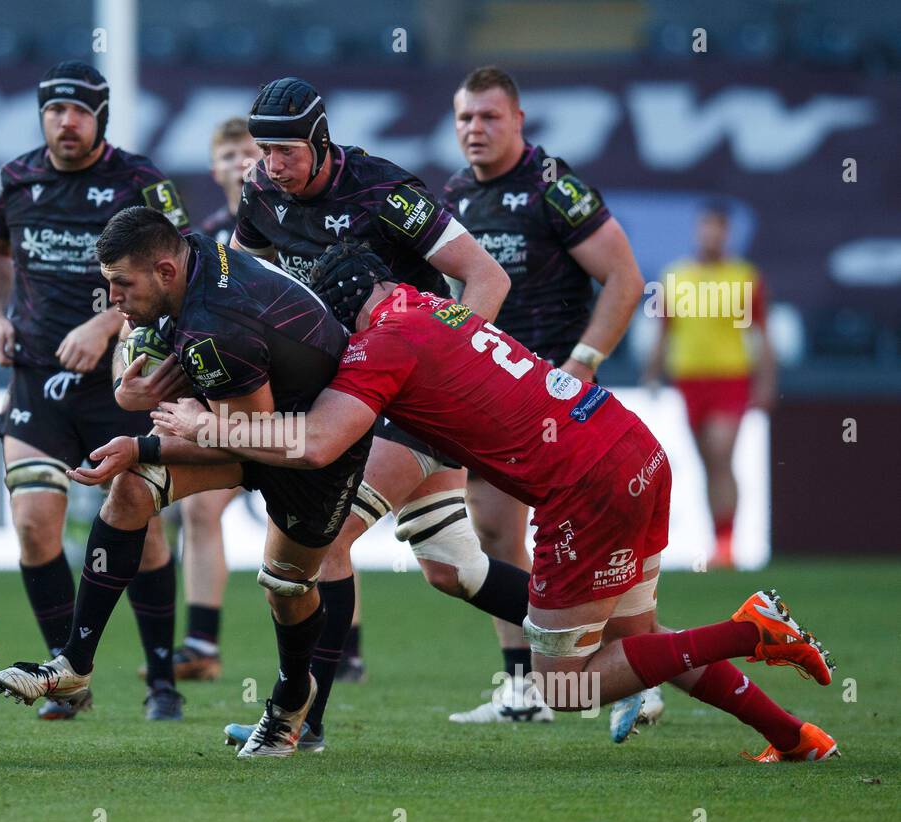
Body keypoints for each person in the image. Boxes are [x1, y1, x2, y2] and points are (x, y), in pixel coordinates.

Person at [155, 241, 839, 764]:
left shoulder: (375, 347)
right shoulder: (431, 307)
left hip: (586, 490)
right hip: (633, 446)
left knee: (564, 685)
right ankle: (796, 737)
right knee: (641, 643)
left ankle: (753, 630)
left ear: (339, 312)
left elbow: (316, 444)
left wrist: (204, 424)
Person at [0, 206, 373, 759]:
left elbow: (246, 437)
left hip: (310, 445)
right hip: (252, 419)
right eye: (110, 285)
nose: (114, 300)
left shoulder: (215, 330)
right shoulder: (189, 254)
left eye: (123, 286)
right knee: (132, 490)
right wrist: (129, 390)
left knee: (287, 588)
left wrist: (138, 444)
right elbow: (135, 342)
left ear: (165, 272)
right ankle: (74, 663)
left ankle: (292, 707)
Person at [230, 76, 523, 735]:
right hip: (359, 394)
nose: (272, 165)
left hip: (415, 395)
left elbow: (488, 277)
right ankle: (630, 648)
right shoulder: (260, 193)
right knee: (456, 570)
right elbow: (240, 285)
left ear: (320, 141)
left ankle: (304, 722)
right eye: (264, 150)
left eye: (286, 151)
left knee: (323, 539)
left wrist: (441, 365)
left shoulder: (384, 191)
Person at [0, 61, 192, 721]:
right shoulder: (15, 179)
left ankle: (161, 681)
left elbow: (184, 271)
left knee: (146, 534)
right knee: (35, 525)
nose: (64, 122)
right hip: (38, 380)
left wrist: (108, 322)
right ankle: (67, 678)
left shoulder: (140, 182)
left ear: (100, 116)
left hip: (118, 387)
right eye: (53, 111)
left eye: (77, 111)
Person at [442, 66, 645, 725]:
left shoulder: (554, 187)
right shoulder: (453, 196)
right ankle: (526, 689)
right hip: (493, 397)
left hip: (560, 396)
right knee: (494, 532)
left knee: (589, 547)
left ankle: (641, 677)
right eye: (466, 117)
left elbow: (624, 277)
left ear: (518, 121)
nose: (476, 128)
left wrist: (583, 362)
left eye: (489, 117)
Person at [166, 117, 263, 681]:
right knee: (199, 508)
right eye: (229, 155)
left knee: (321, 518)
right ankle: (201, 645)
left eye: (250, 152)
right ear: (214, 168)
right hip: (228, 398)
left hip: (295, 396)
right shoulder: (200, 242)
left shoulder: (291, 224)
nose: (240, 163)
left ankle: (344, 648)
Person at [643, 203, 775, 569]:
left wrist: (766, 381)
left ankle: (729, 543)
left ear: (727, 233)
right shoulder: (675, 277)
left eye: (718, 228)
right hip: (688, 380)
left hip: (731, 378)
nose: (711, 235)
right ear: (697, 231)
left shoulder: (745, 277)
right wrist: (652, 372)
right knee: (707, 462)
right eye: (706, 227)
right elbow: (664, 331)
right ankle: (719, 540)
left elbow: (762, 334)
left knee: (721, 453)